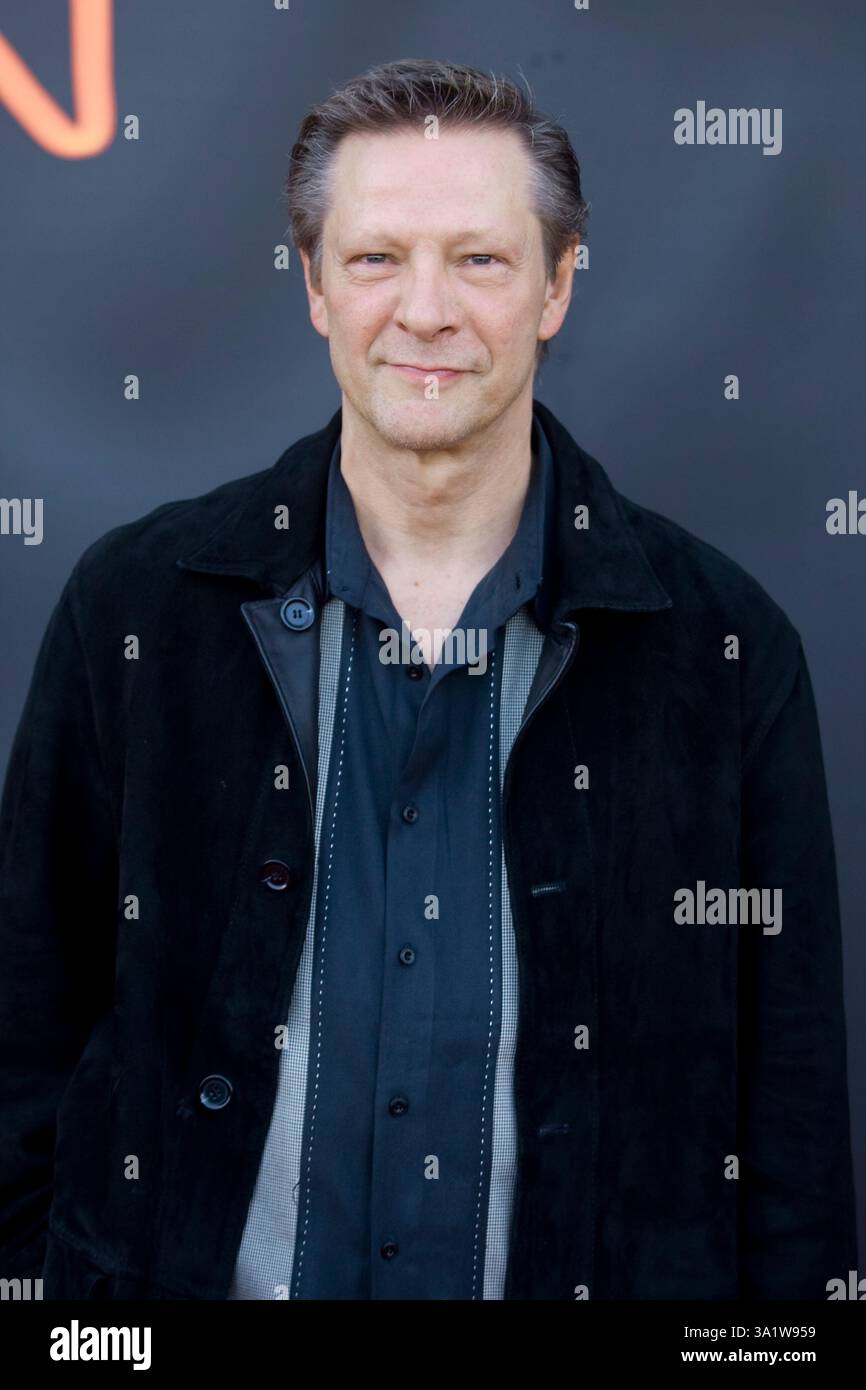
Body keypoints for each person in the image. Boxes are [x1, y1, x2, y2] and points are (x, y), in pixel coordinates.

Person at [0, 58, 856, 1301]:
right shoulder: (135, 612)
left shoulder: (724, 651)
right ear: (311, 287)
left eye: (480, 260)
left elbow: (786, 1129)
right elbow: (23, 1040)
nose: (424, 311)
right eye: (375, 259)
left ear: (558, 284)